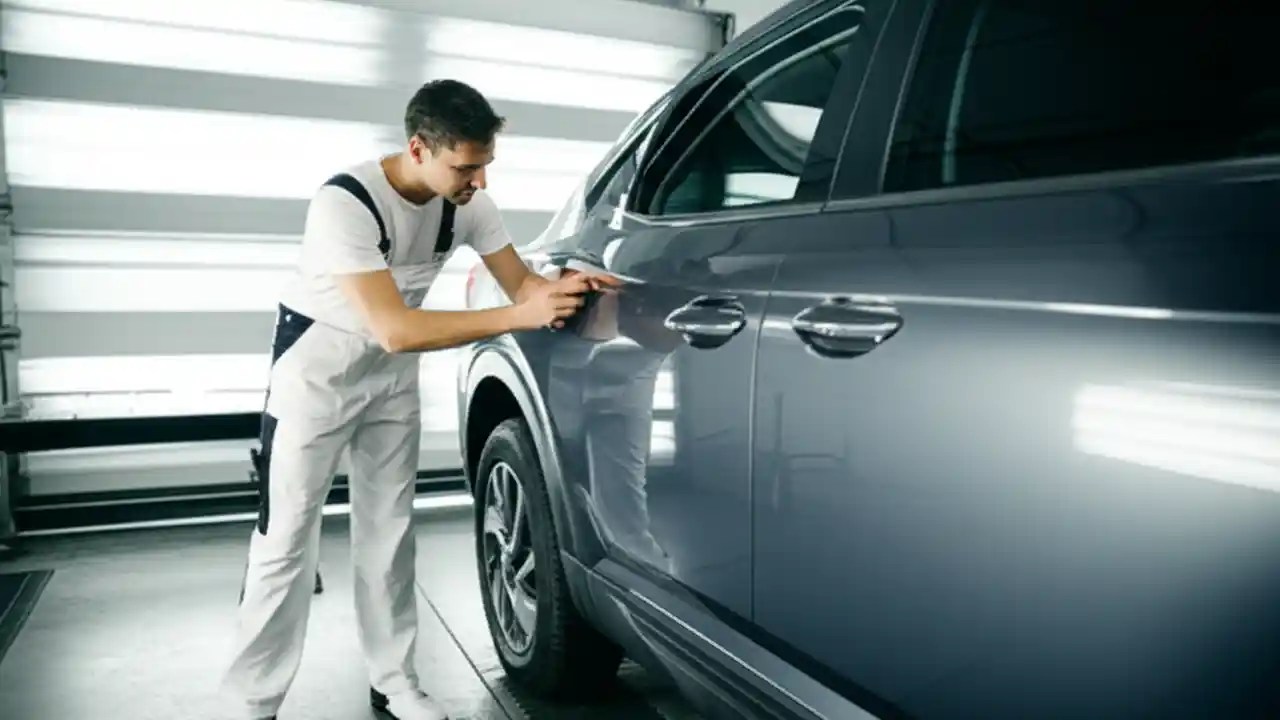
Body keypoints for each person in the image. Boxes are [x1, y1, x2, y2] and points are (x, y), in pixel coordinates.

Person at [222, 79, 599, 720]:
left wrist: (571, 287)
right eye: (466, 167)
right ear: (419, 148)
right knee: (285, 539)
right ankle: (250, 704)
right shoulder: (345, 203)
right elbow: (397, 328)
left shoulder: (469, 203)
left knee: (389, 532)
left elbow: (523, 286)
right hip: (315, 372)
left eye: (484, 165)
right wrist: (520, 316)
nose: (479, 181)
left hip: (392, 377)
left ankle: (395, 683)